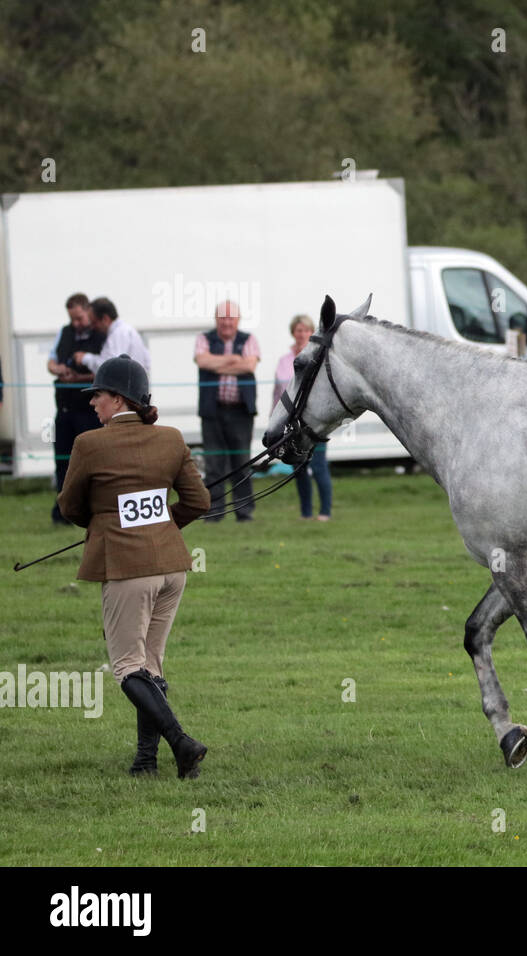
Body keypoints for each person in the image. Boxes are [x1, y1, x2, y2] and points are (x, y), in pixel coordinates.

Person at [57, 354, 210, 778]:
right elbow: (199, 502)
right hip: (173, 568)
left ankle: (181, 743)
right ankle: (146, 761)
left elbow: (69, 506)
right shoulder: (172, 438)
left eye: (98, 396)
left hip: (128, 569)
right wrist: (159, 525)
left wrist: (110, 524)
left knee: (126, 667)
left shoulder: (90, 444)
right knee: (150, 666)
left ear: (118, 398)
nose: (92, 404)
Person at [194, 300, 260, 522]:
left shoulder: (249, 339)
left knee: (241, 463)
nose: (226, 322)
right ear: (216, 319)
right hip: (212, 411)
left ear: (238, 319)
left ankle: (244, 512)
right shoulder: (204, 339)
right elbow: (202, 361)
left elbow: (249, 366)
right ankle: (214, 512)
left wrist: (218, 364)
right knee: (214, 464)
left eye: (231, 317)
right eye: (222, 317)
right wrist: (233, 360)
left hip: (241, 412)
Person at [48, 293, 107, 525]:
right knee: (63, 461)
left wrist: (78, 378)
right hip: (63, 410)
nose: (76, 323)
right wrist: (58, 369)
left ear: (88, 312)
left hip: (89, 412)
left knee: (90, 464)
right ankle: (63, 512)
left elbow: (104, 371)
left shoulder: (102, 337)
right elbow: (51, 361)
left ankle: (91, 510)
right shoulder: (64, 333)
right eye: (72, 319)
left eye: (80, 318)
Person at [272, 314, 333, 520]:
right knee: (298, 468)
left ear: (311, 332)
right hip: (291, 423)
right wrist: (275, 418)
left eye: (306, 330)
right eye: (299, 330)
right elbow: (277, 392)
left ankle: (325, 511)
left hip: (315, 422)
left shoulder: (318, 358)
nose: (302, 334)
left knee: (318, 466)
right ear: (293, 333)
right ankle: (305, 512)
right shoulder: (283, 361)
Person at [75, 297, 150, 373]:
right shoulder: (126, 330)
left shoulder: (118, 334)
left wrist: (85, 358)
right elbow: (147, 362)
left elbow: (110, 367)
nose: (93, 327)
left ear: (105, 319)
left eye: (94, 322)